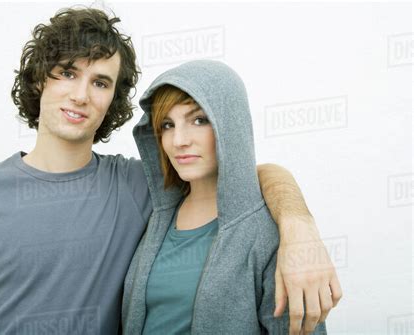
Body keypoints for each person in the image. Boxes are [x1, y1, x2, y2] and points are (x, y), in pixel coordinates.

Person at [0, 7, 341, 335]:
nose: (80, 95)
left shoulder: (139, 187)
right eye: (66, 72)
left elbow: (246, 173)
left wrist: (299, 227)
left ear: (113, 99)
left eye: (100, 82)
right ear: (39, 78)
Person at [122, 60, 328, 334]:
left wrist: (300, 223)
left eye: (199, 120)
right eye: (168, 124)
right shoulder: (153, 212)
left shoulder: (269, 234)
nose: (179, 140)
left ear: (229, 125)